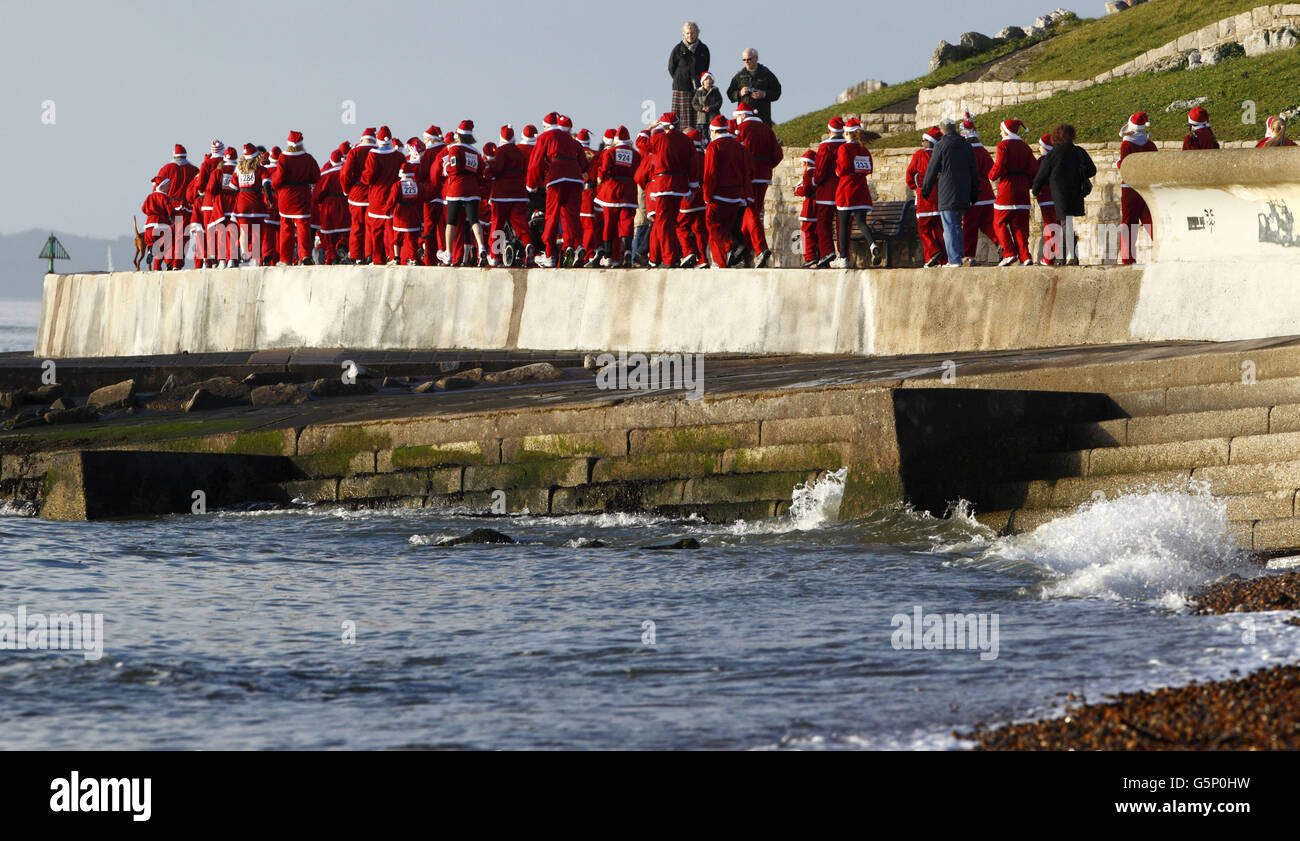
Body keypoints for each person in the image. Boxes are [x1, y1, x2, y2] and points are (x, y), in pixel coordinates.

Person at [526, 111, 587, 267]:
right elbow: (584, 164)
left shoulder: (545, 137)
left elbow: (535, 163)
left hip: (557, 177)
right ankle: (576, 245)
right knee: (571, 215)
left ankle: (549, 253)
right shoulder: (571, 139)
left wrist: (532, 184)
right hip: (575, 178)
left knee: (552, 216)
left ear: (545, 126)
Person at [1031, 123, 1096, 266]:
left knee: (1065, 224)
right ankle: (1066, 257)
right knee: (1067, 222)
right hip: (1076, 191)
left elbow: (1042, 174)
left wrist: (1035, 189)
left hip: (1059, 192)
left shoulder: (1053, 154)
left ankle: (1067, 257)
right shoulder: (1079, 151)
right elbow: (1092, 170)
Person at [921, 117, 979, 268]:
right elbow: (974, 170)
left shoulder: (940, 145)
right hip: (964, 191)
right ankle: (959, 256)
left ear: (942, 130)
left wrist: (926, 189)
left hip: (947, 191)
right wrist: (974, 193)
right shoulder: (967, 146)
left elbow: (932, 169)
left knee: (949, 227)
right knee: (958, 226)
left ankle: (954, 260)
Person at [645, 112, 694, 267]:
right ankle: (673, 256)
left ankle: (669, 258)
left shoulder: (658, 139)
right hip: (680, 186)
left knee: (664, 223)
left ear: (663, 125)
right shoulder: (687, 141)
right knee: (672, 222)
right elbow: (693, 166)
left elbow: (641, 143)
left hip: (663, 185)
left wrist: (649, 128)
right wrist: (692, 187)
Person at [701, 116, 752, 268]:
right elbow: (746, 171)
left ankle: (730, 247)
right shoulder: (738, 146)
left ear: (713, 131)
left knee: (713, 226)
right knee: (724, 228)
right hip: (735, 195)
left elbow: (710, 173)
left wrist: (707, 196)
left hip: (718, 195)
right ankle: (722, 261)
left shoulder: (713, 147)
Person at [735, 102, 781, 267]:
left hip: (749, 176)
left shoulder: (741, 130)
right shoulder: (767, 130)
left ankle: (760, 248)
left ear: (743, 115)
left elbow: (737, 154)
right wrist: (767, 167)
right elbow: (778, 154)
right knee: (751, 212)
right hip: (764, 176)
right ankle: (746, 253)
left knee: (751, 212)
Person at [830, 118, 880, 269]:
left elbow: (842, 168)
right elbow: (869, 168)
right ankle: (872, 245)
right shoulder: (864, 149)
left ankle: (843, 258)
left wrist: (837, 170)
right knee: (861, 222)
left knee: (844, 226)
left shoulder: (844, 149)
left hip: (847, 190)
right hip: (861, 190)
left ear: (846, 133)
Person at [988, 118, 1038, 266]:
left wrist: (991, 177)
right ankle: (1025, 255)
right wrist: (1028, 183)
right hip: (1022, 189)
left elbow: (1000, 164)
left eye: (1001, 129)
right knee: (1021, 226)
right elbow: (1034, 169)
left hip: (1007, 187)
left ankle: (1009, 252)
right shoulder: (1025, 147)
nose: (999, 132)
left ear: (1006, 131)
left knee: (999, 221)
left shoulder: (1003, 145)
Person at [440, 121, 490, 266]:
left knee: (451, 222)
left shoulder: (455, 149)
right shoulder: (476, 152)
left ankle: (448, 254)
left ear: (459, 135)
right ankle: (481, 247)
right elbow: (481, 174)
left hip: (456, 188)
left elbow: (454, 167)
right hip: (472, 189)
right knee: (474, 221)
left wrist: (445, 168)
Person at [593, 126, 640, 267]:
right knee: (626, 222)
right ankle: (627, 251)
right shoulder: (636, 154)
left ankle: (607, 256)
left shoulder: (610, 152)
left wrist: (599, 177)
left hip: (611, 191)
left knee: (609, 223)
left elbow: (605, 169)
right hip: (629, 191)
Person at [272, 130, 320, 266]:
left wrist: (274, 185)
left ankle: (285, 259)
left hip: (286, 196)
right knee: (303, 226)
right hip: (302, 195)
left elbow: (278, 179)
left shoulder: (283, 158)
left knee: (286, 227)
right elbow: (316, 176)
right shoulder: (308, 158)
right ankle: (305, 255)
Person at [1116, 112, 1156, 265]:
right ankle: (1162, 249)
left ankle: (1127, 257)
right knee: (1149, 220)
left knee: (1128, 222)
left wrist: (1118, 163)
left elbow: (1126, 165)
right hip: (1146, 186)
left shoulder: (1127, 144)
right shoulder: (1150, 144)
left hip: (1130, 187)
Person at [488, 125, 531, 267]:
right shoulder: (519, 152)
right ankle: (528, 244)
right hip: (519, 192)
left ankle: (495, 256)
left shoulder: (500, 151)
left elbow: (497, 168)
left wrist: (488, 169)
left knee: (497, 225)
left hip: (501, 194)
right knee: (520, 223)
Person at [361, 126, 403, 264]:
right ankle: (394, 257)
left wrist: (362, 179)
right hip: (394, 196)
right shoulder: (399, 156)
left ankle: (377, 259)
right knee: (392, 230)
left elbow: (368, 176)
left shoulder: (373, 155)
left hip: (376, 197)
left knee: (376, 232)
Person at [959, 115, 997, 262]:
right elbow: (991, 171)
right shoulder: (983, 151)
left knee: (969, 228)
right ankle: (1002, 245)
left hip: (972, 194)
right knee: (988, 225)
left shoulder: (965, 151)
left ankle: (968, 255)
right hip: (987, 194)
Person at [811, 117, 847, 268]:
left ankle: (827, 252)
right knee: (842, 225)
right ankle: (844, 255)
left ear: (829, 130)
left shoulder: (825, 146)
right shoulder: (847, 146)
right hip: (843, 190)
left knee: (823, 223)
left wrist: (815, 181)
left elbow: (820, 170)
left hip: (826, 191)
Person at [906, 127, 944, 267]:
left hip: (925, 197)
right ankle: (942, 260)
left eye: (924, 141)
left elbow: (910, 175)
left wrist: (915, 185)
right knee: (939, 230)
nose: (922, 143)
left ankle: (933, 253)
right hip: (941, 198)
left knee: (923, 229)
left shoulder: (920, 155)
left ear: (929, 142)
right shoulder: (942, 154)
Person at [231, 143, 273, 266]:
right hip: (257, 203)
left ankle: (244, 256)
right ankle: (255, 258)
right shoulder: (261, 169)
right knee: (257, 231)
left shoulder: (238, 169)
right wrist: (270, 199)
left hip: (242, 203)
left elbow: (233, 188)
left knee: (244, 231)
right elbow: (267, 185)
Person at [340, 127, 376, 264]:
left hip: (357, 193)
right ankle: (370, 254)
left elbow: (345, 173)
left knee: (356, 226)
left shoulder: (354, 152)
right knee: (371, 227)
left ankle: (356, 255)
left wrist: (346, 189)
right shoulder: (377, 152)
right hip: (373, 194)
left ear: (362, 139)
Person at [669, 21, 710, 131]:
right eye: (687, 33)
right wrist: (680, 78)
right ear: (684, 34)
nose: (690, 36)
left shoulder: (703, 49)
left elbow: (705, 68)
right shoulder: (678, 49)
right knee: (681, 121)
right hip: (681, 89)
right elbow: (671, 68)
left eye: (692, 33)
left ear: (697, 33)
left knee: (696, 119)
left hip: (697, 88)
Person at [726, 48, 781, 125]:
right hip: (744, 119)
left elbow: (777, 92)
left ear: (756, 58)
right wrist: (740, 93)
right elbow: (730, 94)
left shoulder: (766, 74)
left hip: (762, 117)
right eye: (744, 60)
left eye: (749, 59)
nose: (746, 62)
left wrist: (764, 94)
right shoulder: (739, 76)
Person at [314, 148, 349, 265]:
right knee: (344, 230)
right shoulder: (346, 172)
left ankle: (331, 256)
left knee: (329, 234)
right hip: (344, 203)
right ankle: (342, 247)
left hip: (329, 205)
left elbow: (317, 195)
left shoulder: (325, 175)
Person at [1033, 134, 1058, 265]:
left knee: (1049, 227)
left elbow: (1037, 177)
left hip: (1046, 197)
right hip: (1057, 198)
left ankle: (1049, 257)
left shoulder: (1042, 161)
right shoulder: (1058, 160)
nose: (1039, 149)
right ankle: (1055, 255)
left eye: (1040, 146)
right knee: (1057, 226)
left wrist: (1035, 190)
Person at [793, 149, 819, 267]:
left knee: (806, 231)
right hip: (820, 204)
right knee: (819, 232)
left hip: (810, 206)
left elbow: (804, 189)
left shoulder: (808, 174)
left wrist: (798, 191)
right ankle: (820, 255)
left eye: (802, 164)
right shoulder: (819, 172)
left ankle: (809, 256)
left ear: (806, 163)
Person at [693, 72, 723, 137]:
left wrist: (711, 107)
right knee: (704, 135)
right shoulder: (699, 92)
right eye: (706, 79)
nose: (708, 81)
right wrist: (701, 108)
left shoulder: (715, 91)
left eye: (710, 79)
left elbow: (719, 102)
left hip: (713, 117)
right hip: (702, 119)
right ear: (703, 82)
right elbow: (694, 103)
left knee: (714, 134)